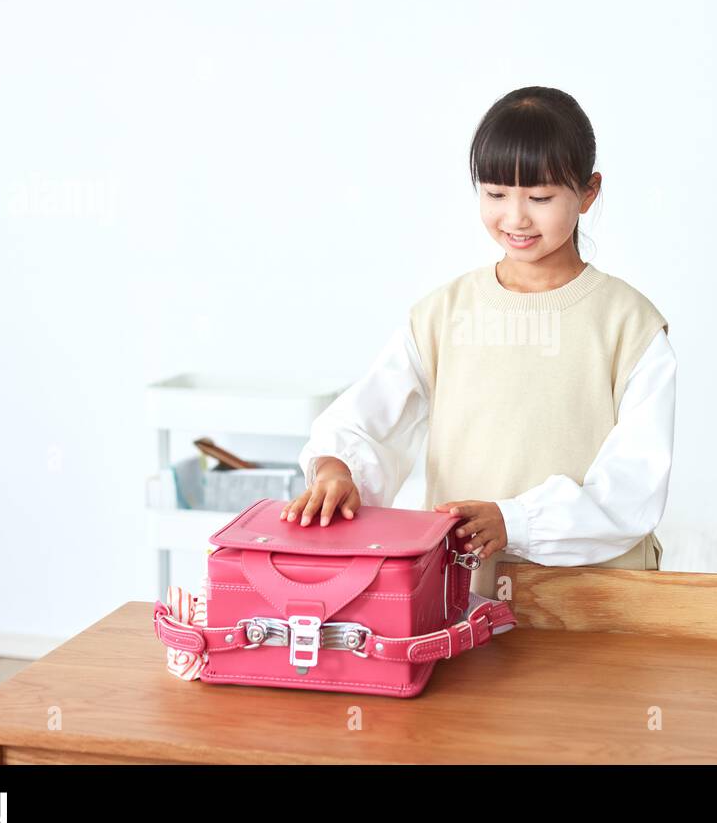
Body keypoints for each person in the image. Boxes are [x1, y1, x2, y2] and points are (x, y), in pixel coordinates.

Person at [284, 85, 675, 600]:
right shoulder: (443, 313)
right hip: (463, 593)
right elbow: (364, 419)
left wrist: (517, 521)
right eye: (495, 194)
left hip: (596, 603)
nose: (515, 217)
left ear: (587, 192)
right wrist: (337, 469)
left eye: (539, 197)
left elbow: (634, 489)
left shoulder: (631, 324)